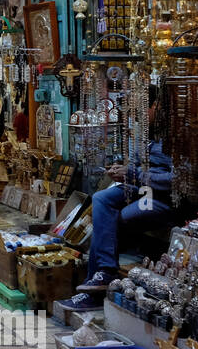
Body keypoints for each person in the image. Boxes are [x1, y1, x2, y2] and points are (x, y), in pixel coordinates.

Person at [74, 85, 178, 305]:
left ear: (156, 107)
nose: (136, 118)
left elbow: (174, 181)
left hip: (161, 198)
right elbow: (137, 169)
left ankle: (99, 281)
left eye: (140, 112)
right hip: (141, 189)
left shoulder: (177, 137)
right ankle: (103, 272)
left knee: (116, 219)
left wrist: (133, 173)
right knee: (101, 199)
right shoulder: (149, 134)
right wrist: (122, 172)